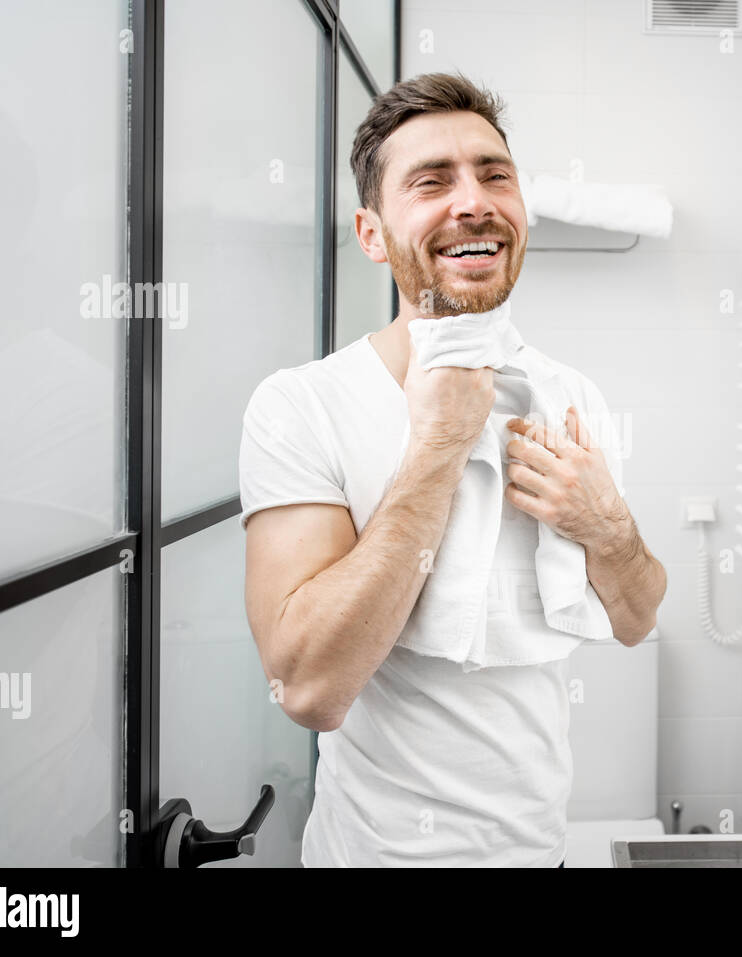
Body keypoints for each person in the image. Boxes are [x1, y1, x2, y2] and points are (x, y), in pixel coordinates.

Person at [238, 72, 667, 867]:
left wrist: (607, 527)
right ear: (372, 233)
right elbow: (308, 688)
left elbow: (638, 620)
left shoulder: (571, 396)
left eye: (494, 175)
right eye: (432, 182)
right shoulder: (302, 405)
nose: (474, 201)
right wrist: (439, 445)